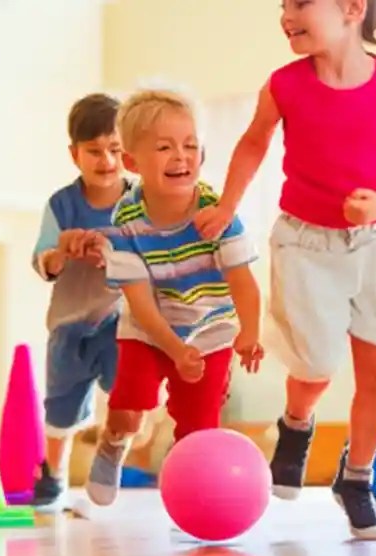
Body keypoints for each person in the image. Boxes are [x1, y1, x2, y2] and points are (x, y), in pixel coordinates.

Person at [193, 0, 376, 541]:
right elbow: (254, 143)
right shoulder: (284, 85)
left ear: (351, 8)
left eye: (299, 3)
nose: (285, 15)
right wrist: (228, 204)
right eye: (282, 5)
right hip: (306, 245)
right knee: (315, 363)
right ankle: (296, 424)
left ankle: (356, 480)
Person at [77, 88, 263, 508]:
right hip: (149, 329)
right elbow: (140, 303)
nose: (181, 156)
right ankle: (113, 444)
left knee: (198, 430)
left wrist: (249, 333)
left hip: (210, 331)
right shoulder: (125, 221)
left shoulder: (217, 216)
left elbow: (243, 282)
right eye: (164, 147)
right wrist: (175, 349)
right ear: (131, 162)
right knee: (129, 409)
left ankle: (194, 497)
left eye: (190, 145)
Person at [28, 93, 134, 511]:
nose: (107, 160)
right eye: (94, 151)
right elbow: (44, 260)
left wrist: (116, 252)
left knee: (129, 396)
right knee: (61, 407)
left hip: (124, 319)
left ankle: (110, 455)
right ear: (75, 155)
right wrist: (63, 252)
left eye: (115, 150)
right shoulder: (62, 205)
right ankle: (53, 474)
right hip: (70, 324)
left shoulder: (140, 202)